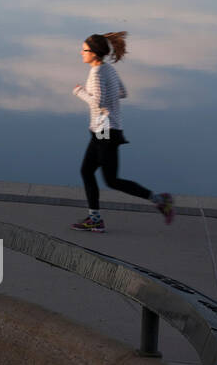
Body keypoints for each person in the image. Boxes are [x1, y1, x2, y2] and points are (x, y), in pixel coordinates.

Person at [70, 31, 174, 232]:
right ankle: (95, 219)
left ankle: (160, 200)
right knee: (88, 172)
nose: (81, 53)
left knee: (112, 180)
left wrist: (80, 92)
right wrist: (106, 100)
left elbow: (98, 102)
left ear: (94, 53)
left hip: (105, 133)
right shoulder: (108, 69)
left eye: (84, 50)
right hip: (105, 131)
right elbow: (122, 93)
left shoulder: (97, 72)